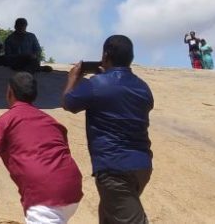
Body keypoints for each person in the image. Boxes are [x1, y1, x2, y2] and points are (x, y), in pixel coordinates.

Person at [63, 35, 154, 224]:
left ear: (105, 55)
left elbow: (68, 102)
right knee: (110, 216)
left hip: (114, 167)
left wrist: (73, 78)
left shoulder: (97, 84)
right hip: (142, 165)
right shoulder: (144, 88)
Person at [0, 72, 83, 224]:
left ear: (9, 93)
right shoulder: (50, 121)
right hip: (72, 189)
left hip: (45, 196)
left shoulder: (5, 121)